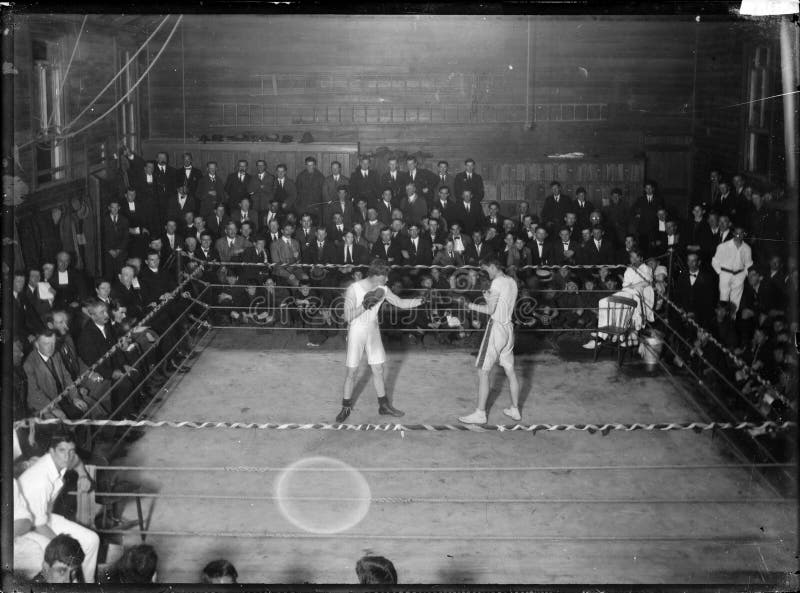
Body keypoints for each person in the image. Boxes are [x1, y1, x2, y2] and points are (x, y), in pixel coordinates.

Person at [335, 259, 424, 422]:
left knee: (378, 369)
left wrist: (420, 301)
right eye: (385, 276)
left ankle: (383, 406)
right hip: (356, 331)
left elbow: (400, 303)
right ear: (377, 275)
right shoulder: (353, 289)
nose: (388, 279)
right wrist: (364, 305)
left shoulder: (383, 288)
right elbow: (347, 317)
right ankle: (345, 407)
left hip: (373, 330)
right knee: (352, 372)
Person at [17, 430, 100, 582]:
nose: (67, 456)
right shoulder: (40, 480)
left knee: (92, 540)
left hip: (44, 517)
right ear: (51, 451)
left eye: (71, 450)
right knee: (63, 556)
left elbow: (76, 461)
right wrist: (64, 545)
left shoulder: (62, 459)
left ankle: (88, 585)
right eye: (62, 451)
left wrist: (82, 475)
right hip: (23, 529)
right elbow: (38, 525)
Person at [457, 258, 521, 424]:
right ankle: (515, 410)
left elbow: (490, 310)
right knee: (510, 370)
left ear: (493, 266)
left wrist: (469, 305)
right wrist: (488, 297)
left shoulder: (497, 283)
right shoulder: (512, 281)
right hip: (509, 329)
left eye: (487, 269)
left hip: (496, 329)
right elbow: (502, 305)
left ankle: (480, 413)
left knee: (482, 371)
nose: (487, 273)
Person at [582, 246, 655, 350]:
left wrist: (634, 284)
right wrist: (632, 284)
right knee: (604, 302)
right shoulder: (629, 270)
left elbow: (647, 281)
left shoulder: (646, 268)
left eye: (635, 258)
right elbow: (625, 285)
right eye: (631, 257)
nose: (633, 260)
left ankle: (604, 337)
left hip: (640, 294)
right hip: (627, 292)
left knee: (625, 303)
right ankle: (601, 332)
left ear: (641, 258)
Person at [711, 226, 753, 313]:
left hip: (739, 275)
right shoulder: (723, 246)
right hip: (725, 274)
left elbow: (749, 264)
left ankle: (733, 320)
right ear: (733, 233)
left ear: (744, 234)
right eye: (737, 233)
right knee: (724, 298)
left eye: (741, 233)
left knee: (736, 300)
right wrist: (720, 273)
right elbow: (715, 261)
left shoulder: (747, 248)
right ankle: (723, 319)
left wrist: (744, 275)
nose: (738, 235)